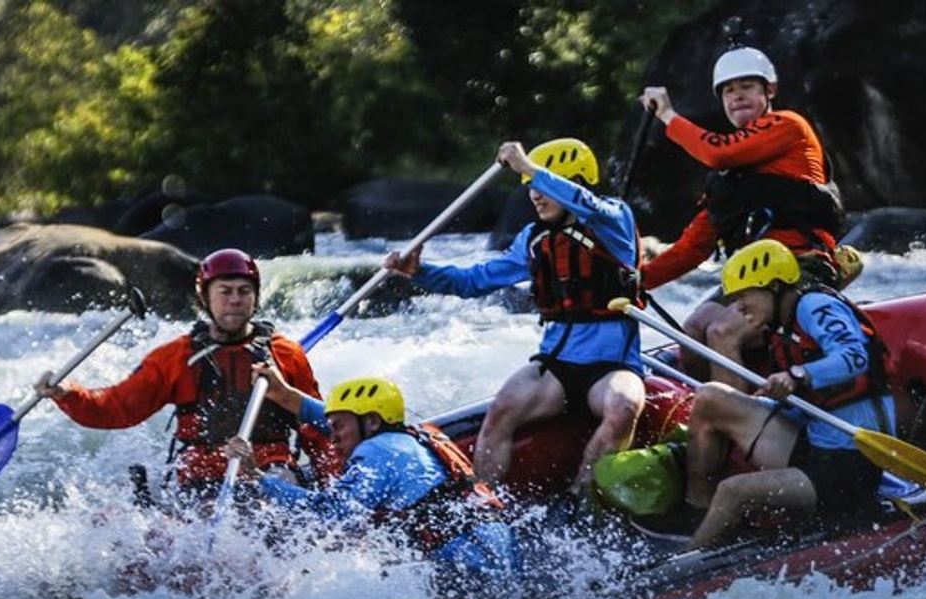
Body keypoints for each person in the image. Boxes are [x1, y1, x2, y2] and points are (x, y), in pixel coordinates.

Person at [383, 139, 644, 492]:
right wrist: (421, 271)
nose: (535, 196)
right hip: (556, 366)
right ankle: (483, 506)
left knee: (624, 406)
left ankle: (582, 502)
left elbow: (589, 205)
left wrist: (529, 169)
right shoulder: (533, 239)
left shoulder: (615, 222)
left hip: (613, 367)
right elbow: (474, 280)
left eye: (541, 187)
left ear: (574, 183)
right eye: (530, 190)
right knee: (502, 408)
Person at [34, 248, 338, 504]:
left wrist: (333, 489)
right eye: (225, 292)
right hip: (201, 478)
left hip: (270, 471)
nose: (235, 300)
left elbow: (319, 430)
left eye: (244, 292)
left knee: (271, 495)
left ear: (255, 299)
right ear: (204, 298)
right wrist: (67, 394)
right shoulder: (176, 357)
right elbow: (118, 407)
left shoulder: (285, 354)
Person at [638, 45, 857, 392]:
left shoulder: (788, 126)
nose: (737, 96)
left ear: (768, 91)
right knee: (693, 330)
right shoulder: (728, 181)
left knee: (721, 331)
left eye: (746, 87)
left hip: (800, 266)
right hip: (752, 278)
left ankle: (743, 423)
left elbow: (716, 151)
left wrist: (668, 115)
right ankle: (700, 415)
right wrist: (637, 280)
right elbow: (693, 247)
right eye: (728, 90)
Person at [664, 238, 893, 549]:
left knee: (733, 492)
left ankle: (682, 567)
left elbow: (855, 356)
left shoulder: (816, 305)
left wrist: (798, 375)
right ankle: (695, 514)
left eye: (745, 296)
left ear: (774, 286)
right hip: (812, 440)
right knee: (710, 398)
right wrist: (776, 395)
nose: (738, 306)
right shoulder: (781, 325)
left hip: (849, 465)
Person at [227, 373, 521, 599]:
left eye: (337, 427)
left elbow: (331, 513)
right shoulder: (406, 439)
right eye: (331, 427)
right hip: (491, 553)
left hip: (468, 568)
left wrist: (259, 478)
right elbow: (341, 421)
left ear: (371, 422)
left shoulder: (377, 451)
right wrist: (288, 396)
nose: (333, 437)